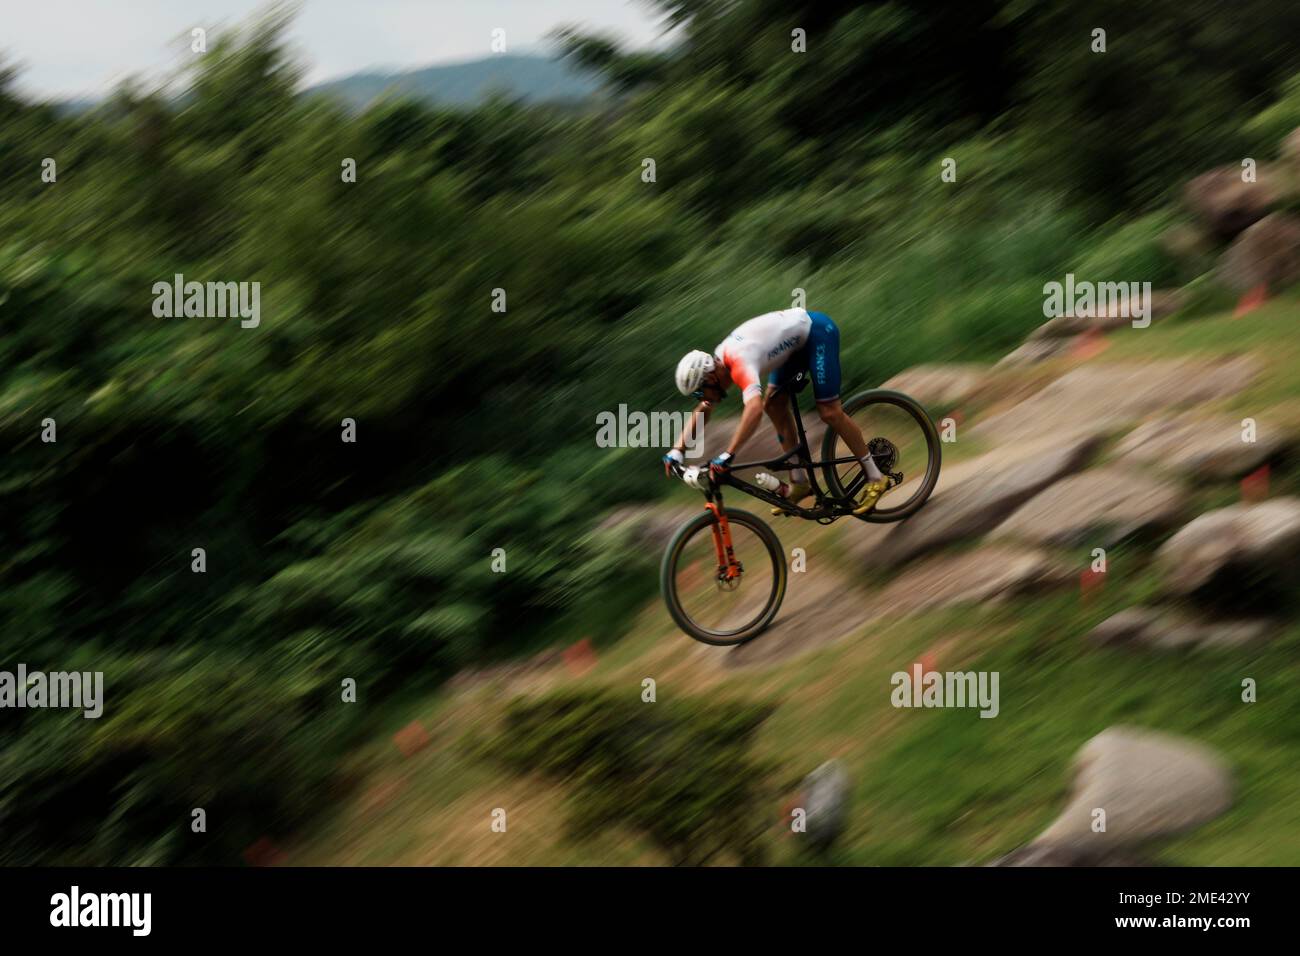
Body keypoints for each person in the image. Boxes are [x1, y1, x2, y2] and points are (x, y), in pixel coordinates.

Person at [662, 308, 889, 515]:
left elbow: (754, 410)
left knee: (829, 412)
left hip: (817, 333)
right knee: (775, 405)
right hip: (793, 349)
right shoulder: (720, 363)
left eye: (700, 392)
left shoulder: (739, 361)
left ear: (710, 377)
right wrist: (677, 450)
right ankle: (800, 482)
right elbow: (704, 409)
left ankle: (876, 477)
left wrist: (728, 454)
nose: (703, 398)